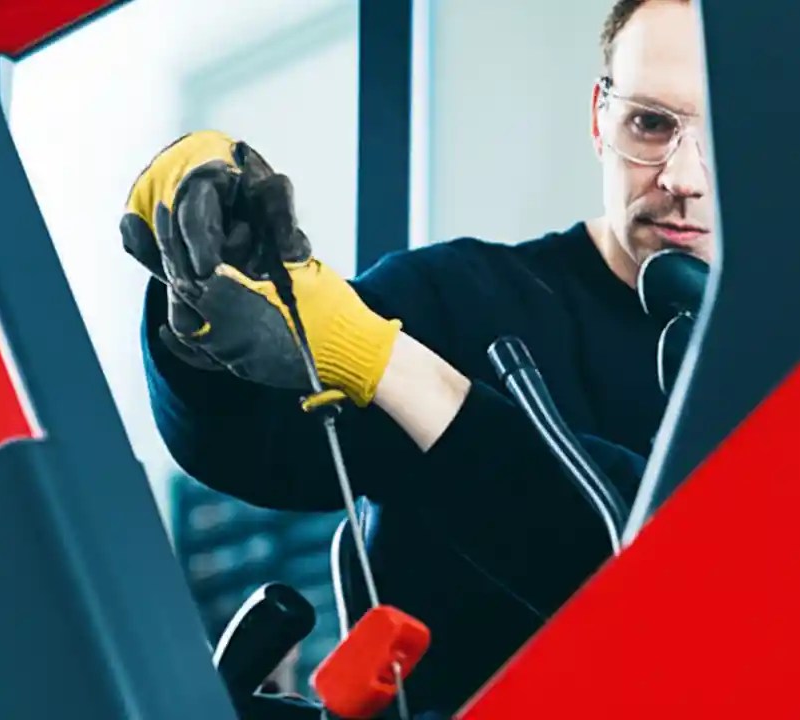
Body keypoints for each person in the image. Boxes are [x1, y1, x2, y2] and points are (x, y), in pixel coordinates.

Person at [122, 0, 713, 714]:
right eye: (650, 124)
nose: (683, 176)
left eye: (721, 129)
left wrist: (397, 370)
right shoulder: (458, 298)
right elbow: (254, 438)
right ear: (600, 119)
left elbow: (692, 590)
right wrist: (200, 290)